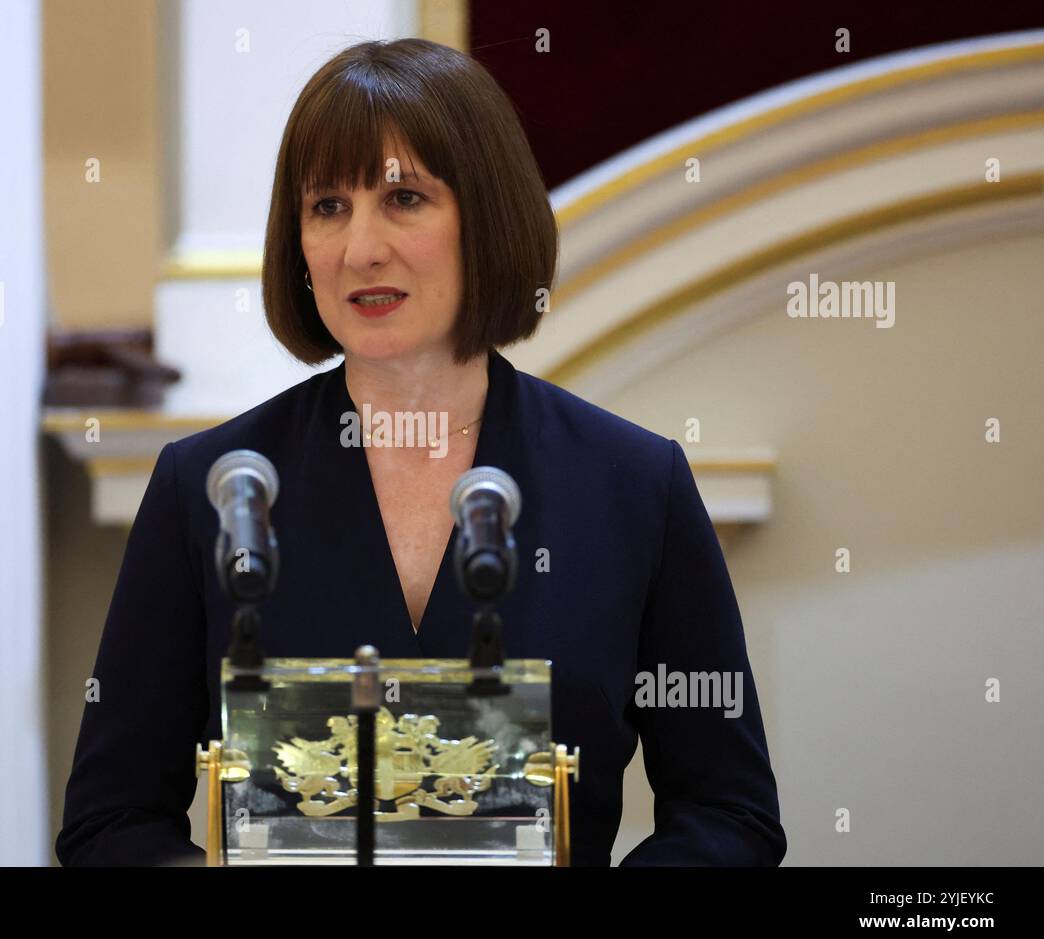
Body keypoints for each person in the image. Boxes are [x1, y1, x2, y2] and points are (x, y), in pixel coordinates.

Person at [56, 37, 786, 867]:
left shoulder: (635, 485)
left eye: (404, 198)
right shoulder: (209, 488)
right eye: (327, 206)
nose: (360, 248)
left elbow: (729, 815)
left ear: (489, 216)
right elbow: (109, 823)